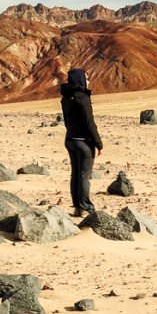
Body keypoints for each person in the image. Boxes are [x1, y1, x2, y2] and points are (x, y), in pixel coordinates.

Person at [59, 67, 103, 216]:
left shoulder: (65, 98)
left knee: (75, 174)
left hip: (70, 139)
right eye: (86, 78)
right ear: (80, 79)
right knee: (84, 176)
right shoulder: (82, 97)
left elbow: (66, 121)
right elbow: (89, 122)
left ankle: (78, 206)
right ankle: (86, 207)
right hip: (84, 142)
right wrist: (98, 143)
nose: (89, 81)